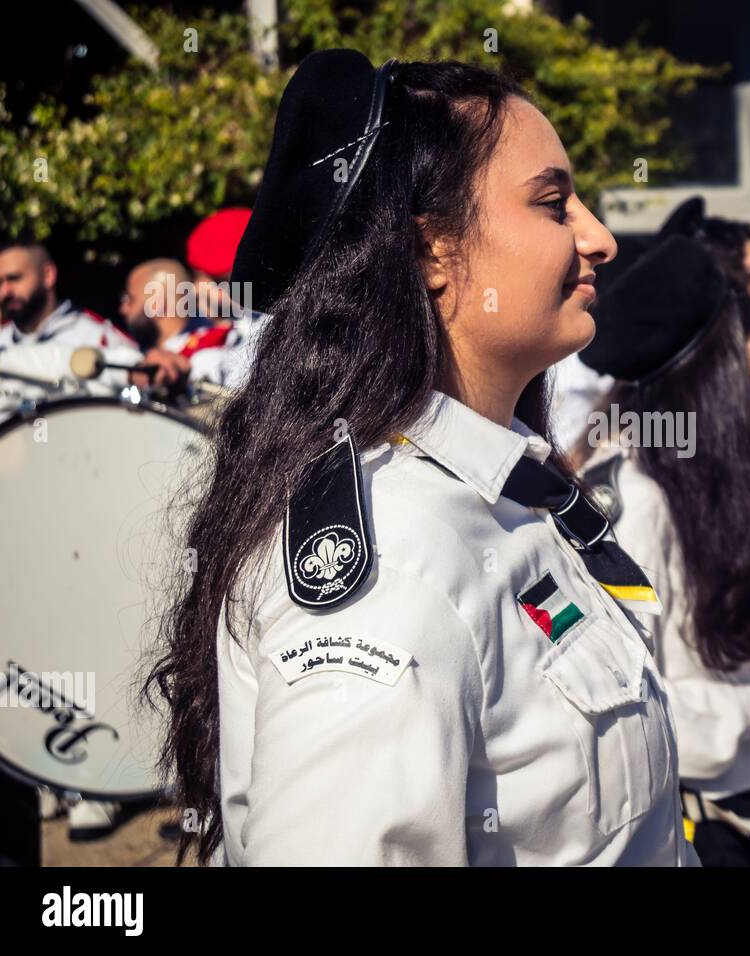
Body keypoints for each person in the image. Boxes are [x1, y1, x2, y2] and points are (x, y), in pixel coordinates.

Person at [145, 51, 694, 866]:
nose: (600, 237)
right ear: (432, 251)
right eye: (554, 204)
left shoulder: (499, 494)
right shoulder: (396, 564)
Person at [577, 235, 750, 866]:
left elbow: (725, 662)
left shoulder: (698, 478)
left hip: (749, 796)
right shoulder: (637, 498)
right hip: (693, 825)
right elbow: (642, 705)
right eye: (747, 347)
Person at [0, 241, 188, 425]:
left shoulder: (101, 337)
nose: (4, 292)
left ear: (48, 275)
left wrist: (135, 369)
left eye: (14, 278)